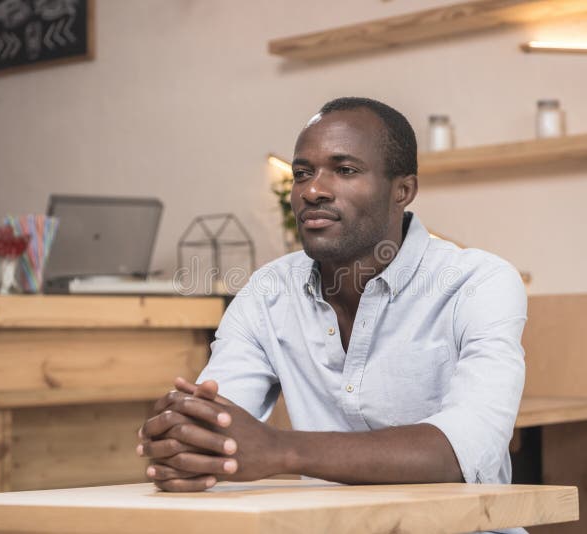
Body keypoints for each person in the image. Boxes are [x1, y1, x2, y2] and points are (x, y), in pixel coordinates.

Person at [138, 97, 527, 513]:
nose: (312, 190)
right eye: (302, 174)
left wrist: (282, 450)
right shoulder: (267, 292)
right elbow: (220, 428)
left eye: (345, 170)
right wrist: (186, 436)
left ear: (403, 190)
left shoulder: (478, 282)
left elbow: (466, 449)